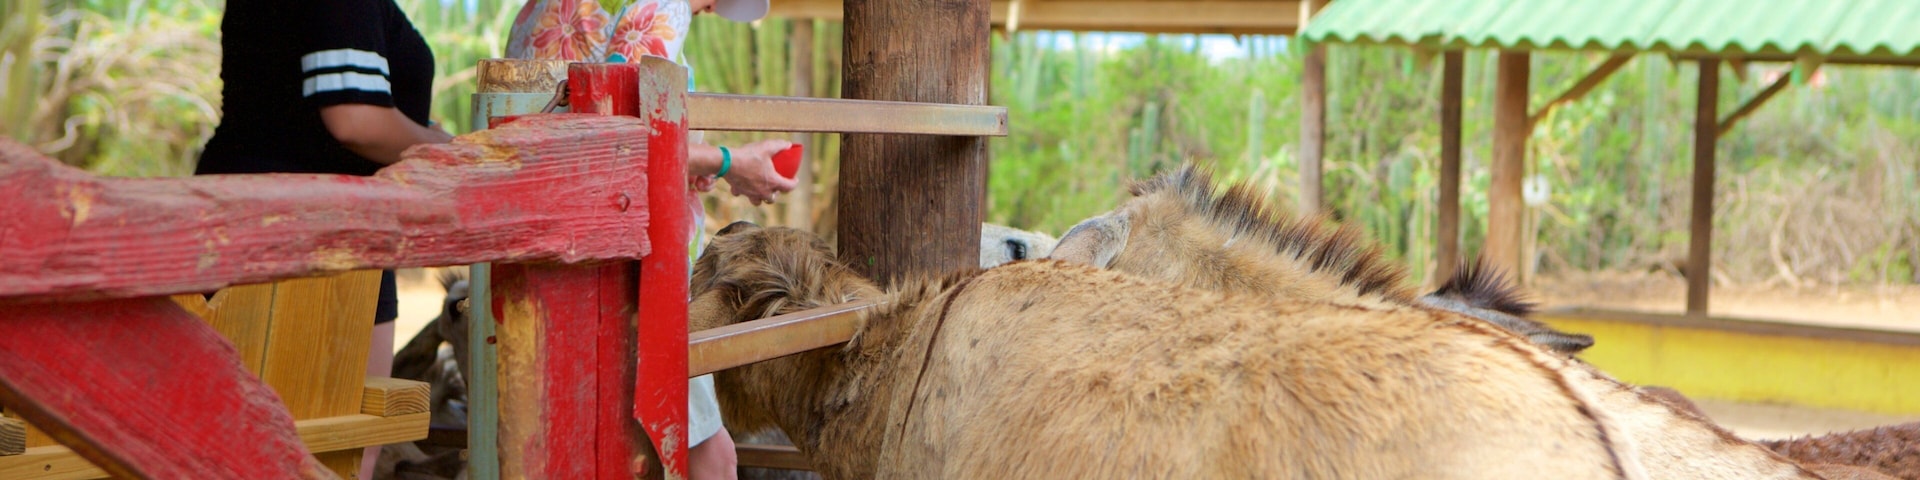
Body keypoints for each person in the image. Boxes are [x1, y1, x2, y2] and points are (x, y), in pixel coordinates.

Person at [506, 0, 798, 478]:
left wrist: (691, 165)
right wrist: (729, 162)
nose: (705, 10)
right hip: (631, 264)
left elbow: (594, 114)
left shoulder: (540, 9)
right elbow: (619, 128)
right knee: (711, 457)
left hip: (545, 247)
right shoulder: (664, 5)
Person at [197, 1, 451, 478]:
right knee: (322, 451)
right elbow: (356, 118)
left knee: (329, 447)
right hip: (302, 234)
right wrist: (452, 151)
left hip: (311, 228)